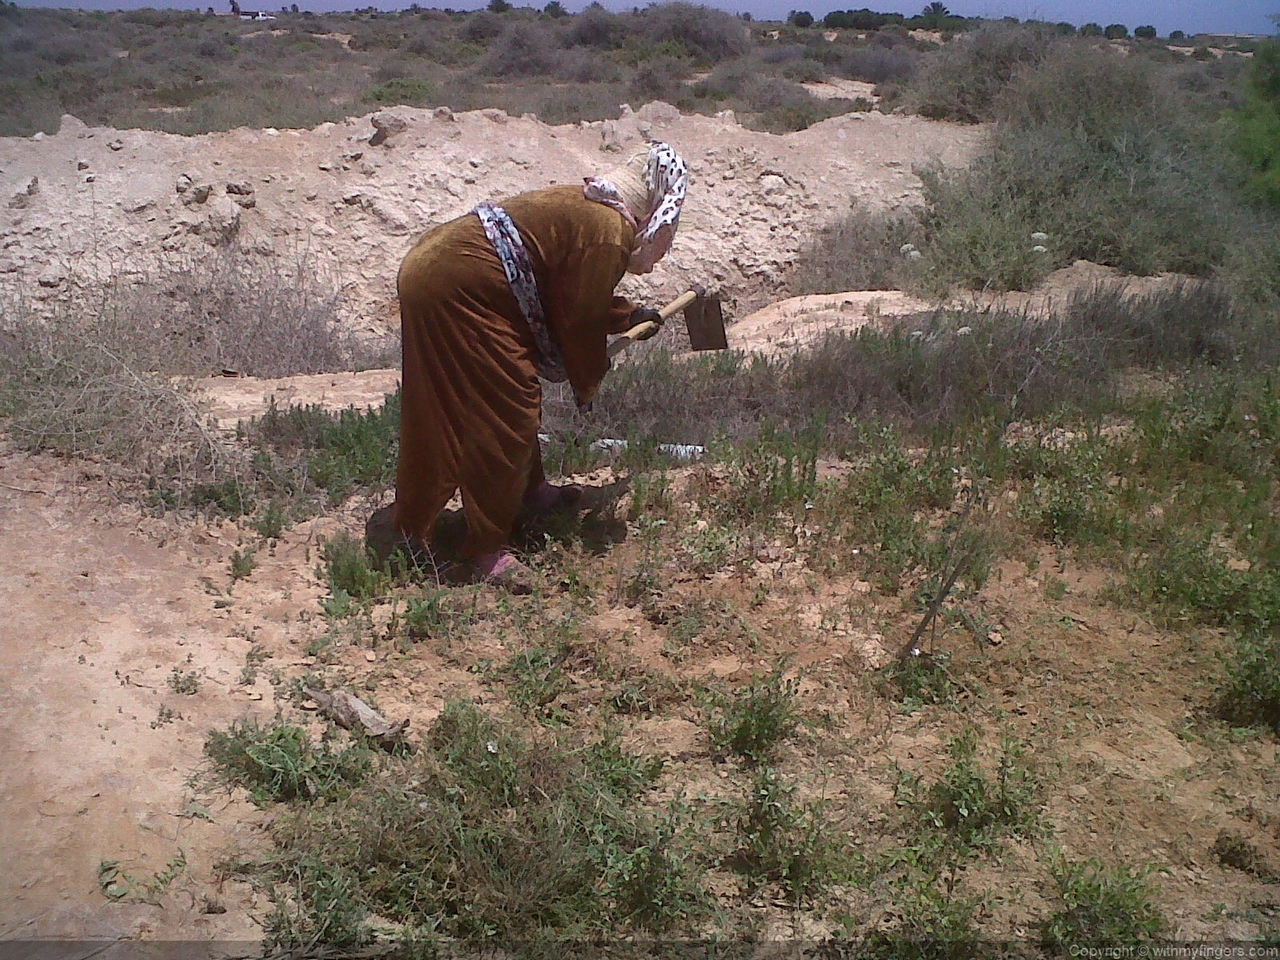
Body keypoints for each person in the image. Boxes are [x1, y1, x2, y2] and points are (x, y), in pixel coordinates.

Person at [391, 141, 688, 592]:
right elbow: (579, 317)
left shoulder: (590, 206)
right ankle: (483, 549)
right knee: (506, 408)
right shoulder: (610, 231)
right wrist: (588, 380)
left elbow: (564, 285)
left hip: (438, 269)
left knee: (451, 404)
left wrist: (627, 317)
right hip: (460, 288)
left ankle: (524, 494)